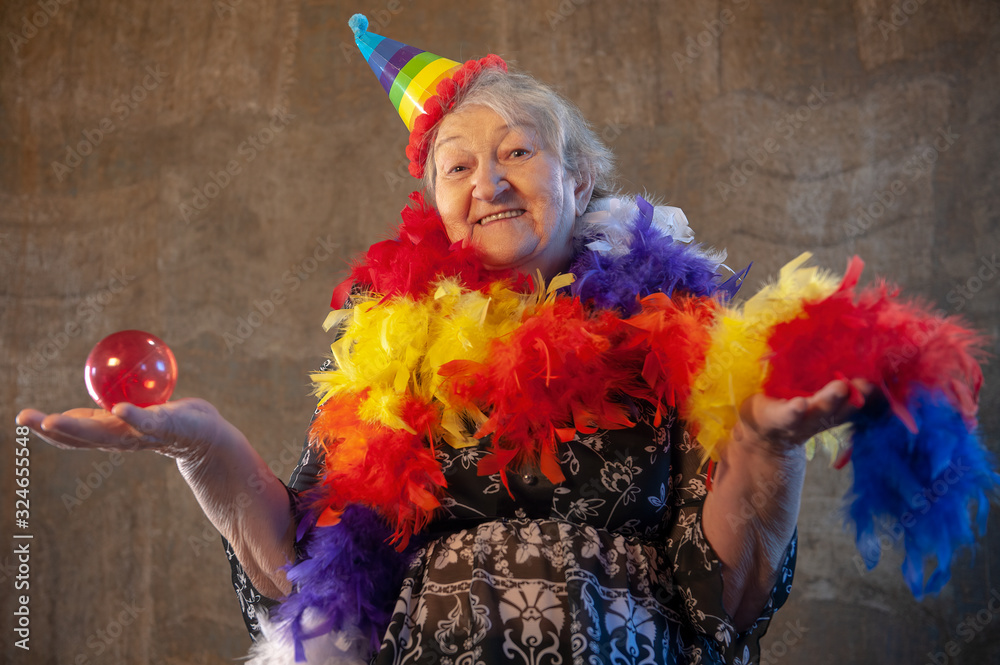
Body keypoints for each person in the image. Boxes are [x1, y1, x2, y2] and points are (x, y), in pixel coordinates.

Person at [22, 14, 990, 665]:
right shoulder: (386, 353)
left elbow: (726, 606)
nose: (486, 180)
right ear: (434, 206)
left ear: (577, 175)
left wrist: (763, 444)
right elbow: (310, 594)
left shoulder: (686, 328)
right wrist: (208, 448)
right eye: (457, 165)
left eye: (517, 151)